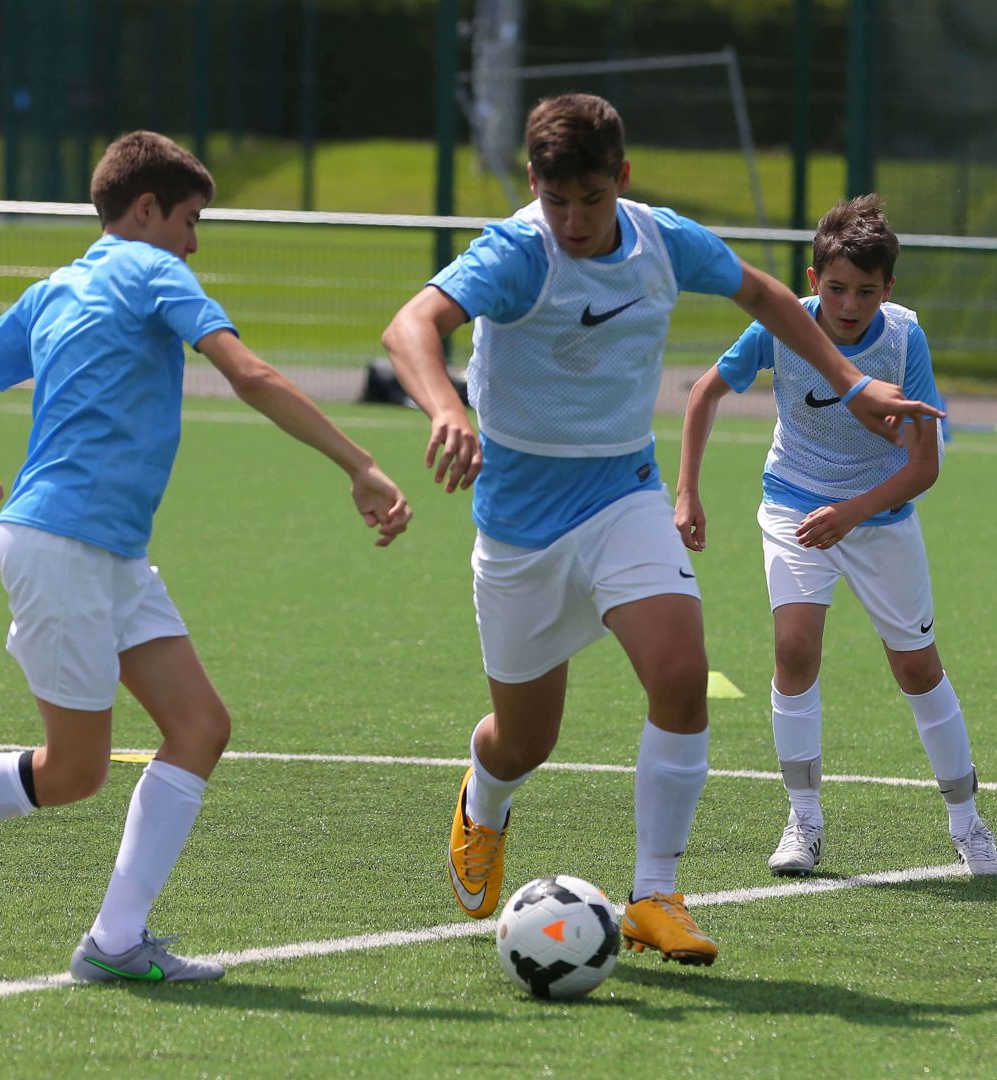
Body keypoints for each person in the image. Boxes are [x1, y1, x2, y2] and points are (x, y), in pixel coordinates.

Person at [0, 131, 412, 982]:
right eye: (191, 221)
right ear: (146, 209)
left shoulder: (56, 287)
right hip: (64, 546)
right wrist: (361, 465)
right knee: (73, 771)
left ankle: (116, 943)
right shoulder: (155, 269)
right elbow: (251, 374)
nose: (195, 243)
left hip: (103, 551)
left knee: (199, 727)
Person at [381, 93, 943, 967]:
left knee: (680, 673)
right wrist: (446, 405)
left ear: (622, 180)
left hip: (621, 494)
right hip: (521, 521)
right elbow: (410, 324)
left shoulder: (661, 240)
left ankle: (654, 895)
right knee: (526, 738)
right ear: (534, 184)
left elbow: (762, 292)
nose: (573, 220)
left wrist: (848, 377)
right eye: (557, 199)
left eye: (591, 200)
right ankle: (485, 797)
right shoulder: (515, 252)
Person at [674, 195, 997, 879]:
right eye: (834, 288)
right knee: (794, 649)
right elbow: (703, 392)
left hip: (878, 518)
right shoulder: (781, 323)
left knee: (916, 667)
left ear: (889, 289)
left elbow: (924, 466)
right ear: (812, 278)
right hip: (794, 506)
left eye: (864, 290)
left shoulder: (904, 339)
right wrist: (686, 491)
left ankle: (968, 822)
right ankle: (804, 819)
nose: (848, 303)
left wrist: (852, 513)